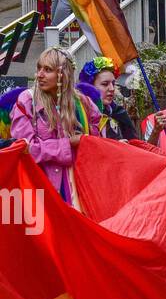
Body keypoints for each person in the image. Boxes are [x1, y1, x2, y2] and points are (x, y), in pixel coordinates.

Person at [10, 48, 99, 203]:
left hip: (80, 190)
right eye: (39, 68)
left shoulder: (84, 104)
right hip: (40, 191)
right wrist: (67, 144)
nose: (39, 75)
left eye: (47, 70)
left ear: (63, 74)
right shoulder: (27, 102)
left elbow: (94, 145)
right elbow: (24, 149)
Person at [79, 57, 136, 141]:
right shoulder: (80, 115)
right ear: (89, 87)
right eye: (105, 84)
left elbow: (138, 148)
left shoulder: (119, 113)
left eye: (113, 83)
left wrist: (155, 132)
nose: (112, 88)